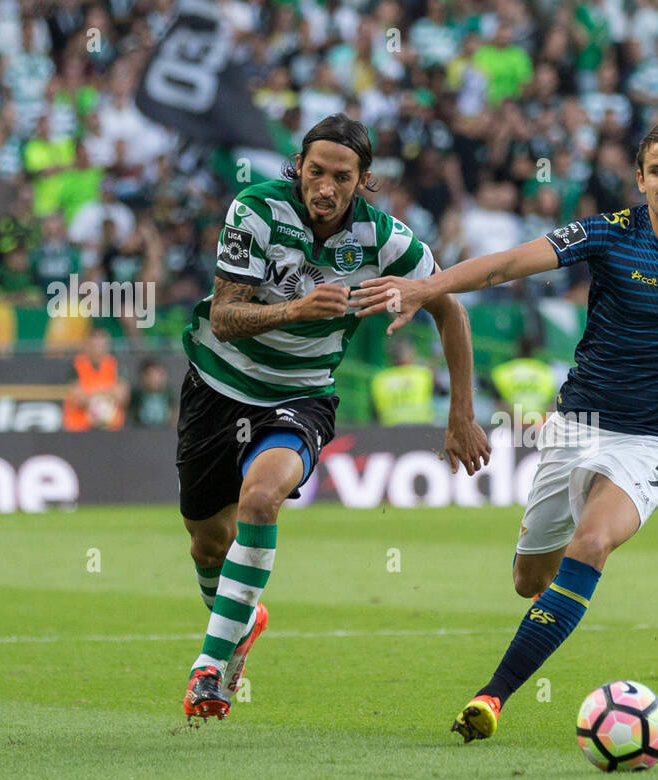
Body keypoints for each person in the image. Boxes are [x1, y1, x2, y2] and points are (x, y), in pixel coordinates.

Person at [351, 120, 658, 743]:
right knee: (530, 581)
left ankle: (490, 698)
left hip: (650, 442)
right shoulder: (611, 235)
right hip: (574, 427)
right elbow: (506, 265)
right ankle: (552, 607)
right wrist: (427, 286)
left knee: (592, 544)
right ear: (640, 179)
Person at [178, 113, 490, 719]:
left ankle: (211, 671)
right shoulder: (254, 211)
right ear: (298, 165)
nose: (325, 187)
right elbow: (223, 315)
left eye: (341, 177)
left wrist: (461, 415)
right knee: (205, 545)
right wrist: (295, 311)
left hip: (301, 395)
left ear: (364, 180)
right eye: (315, 171)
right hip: (215, 389)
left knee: (261, 498)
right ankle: (241, 618)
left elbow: (450, 309)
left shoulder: (386, 240)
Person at [63, 328, 129, 431]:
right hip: (80, 428)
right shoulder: (76, 365)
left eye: (102, 346)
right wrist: (107, 393)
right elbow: (78, 398)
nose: (98, 350)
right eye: (94, 346)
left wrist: (92, 393)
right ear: (86, 346)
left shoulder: (115, 364)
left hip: (111, 428)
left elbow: (122, 396)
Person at [128, 357, 176, 428]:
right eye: (150, 375)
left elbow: (174, 418)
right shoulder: (136, 396)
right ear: (142, 377)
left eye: (158, 375)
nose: (154, 379)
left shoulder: (169, 395)